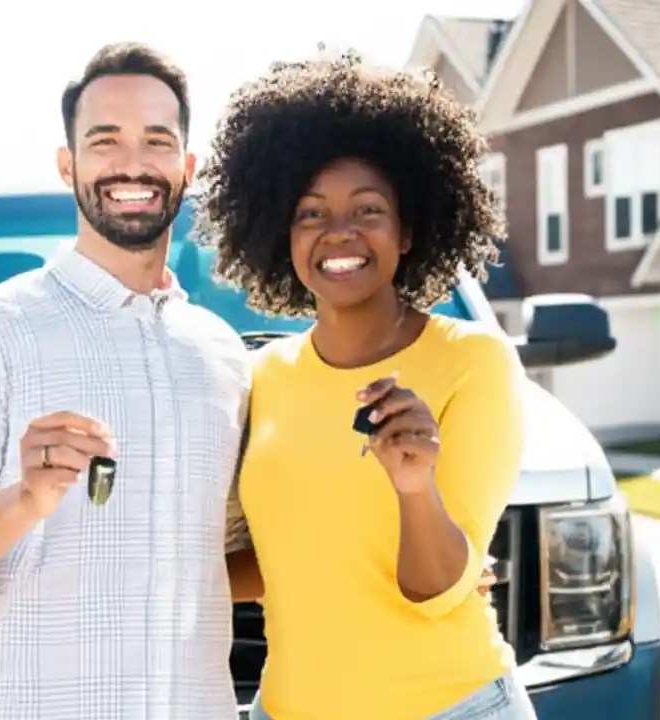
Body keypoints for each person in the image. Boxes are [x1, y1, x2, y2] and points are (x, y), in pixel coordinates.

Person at [0, 42, 252, 720]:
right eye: (105, 140)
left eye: (157, 141)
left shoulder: (223, 355)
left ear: (187, 168)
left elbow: (231, 554)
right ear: (67, 164)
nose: (132, 163)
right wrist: (23, 501)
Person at [192, 51, 538, 719]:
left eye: (368, 209)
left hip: (449, 706)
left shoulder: (474, 361)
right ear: (281, 234)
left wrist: (414, 487)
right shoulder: (262, 376)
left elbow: (439, 590)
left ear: (408, 231)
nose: (339, 233)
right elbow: (271, 563)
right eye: (311, 213)